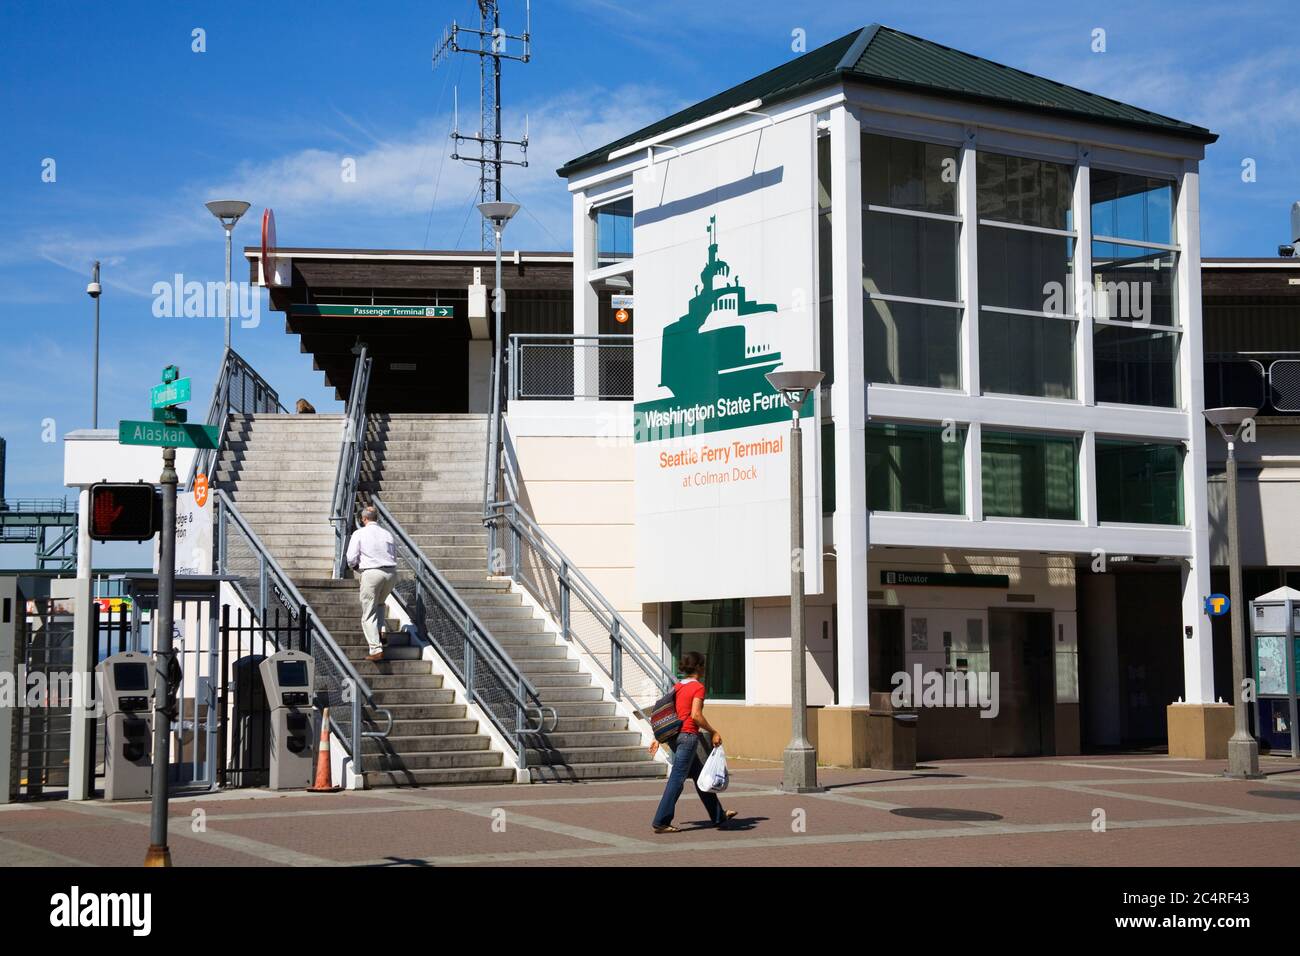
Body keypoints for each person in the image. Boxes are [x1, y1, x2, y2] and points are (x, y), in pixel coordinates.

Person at [649, 651, 739, 833]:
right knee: (677, 779)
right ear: (698, 667)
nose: (704, 668)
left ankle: (718, 815)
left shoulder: (678, 686)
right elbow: (695, 715)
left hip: (674, 737)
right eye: (703, 665)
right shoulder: (697, 687)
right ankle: (661, 821)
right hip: (688, 736)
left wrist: (658, 737)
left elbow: (667, 713)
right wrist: (714, 731)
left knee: (700, 776)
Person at [345, 506, 397, 662]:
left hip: (371, 572)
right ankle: (381, 631)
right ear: (377, 518)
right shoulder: (387, 534)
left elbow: (351, 557)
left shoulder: (359, 533)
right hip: (390, 572)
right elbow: (394, 554)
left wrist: (354, 566)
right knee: (380, 604)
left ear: (363, 519)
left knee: (368, 613)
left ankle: (375, 649)